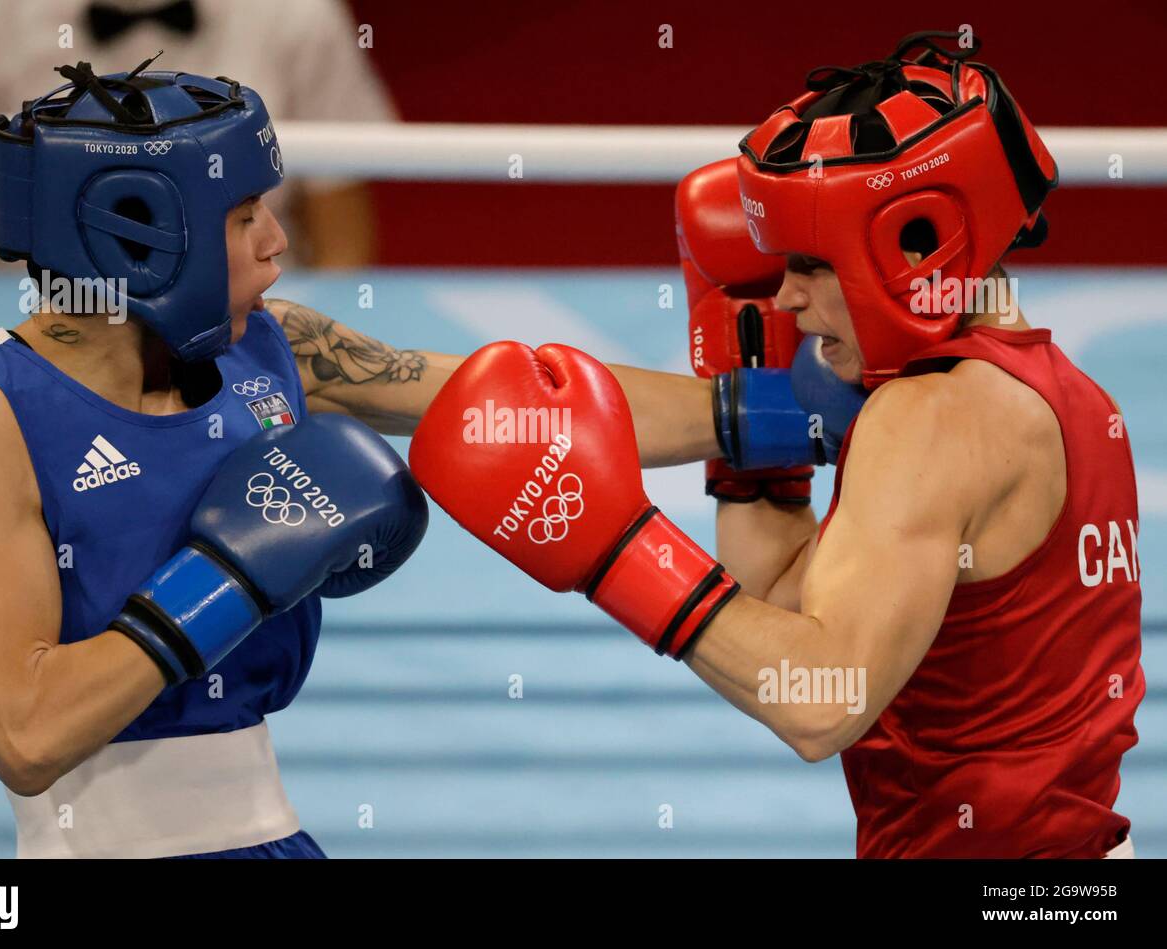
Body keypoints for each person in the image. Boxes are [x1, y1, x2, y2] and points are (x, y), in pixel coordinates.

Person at [408, 31, 1144, 858]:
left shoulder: (932, 417)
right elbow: (783, 601)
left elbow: (822, 700)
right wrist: (761, 471)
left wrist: (618, 550)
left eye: (810, 262)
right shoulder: (1069, 396)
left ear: (919, 244)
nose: (787, 295)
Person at [0, 58, 428, 859]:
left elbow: (512, 403)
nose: (278, 243)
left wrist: (699, 404)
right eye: (245, 215)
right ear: (136, 230)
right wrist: (227, 578)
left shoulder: (272, 350)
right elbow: (26, 734)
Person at [0, 0, 391, 269]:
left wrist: (296, 346)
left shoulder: (299, 10)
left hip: (252, 317)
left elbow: (342, 243)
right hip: (42, 322)